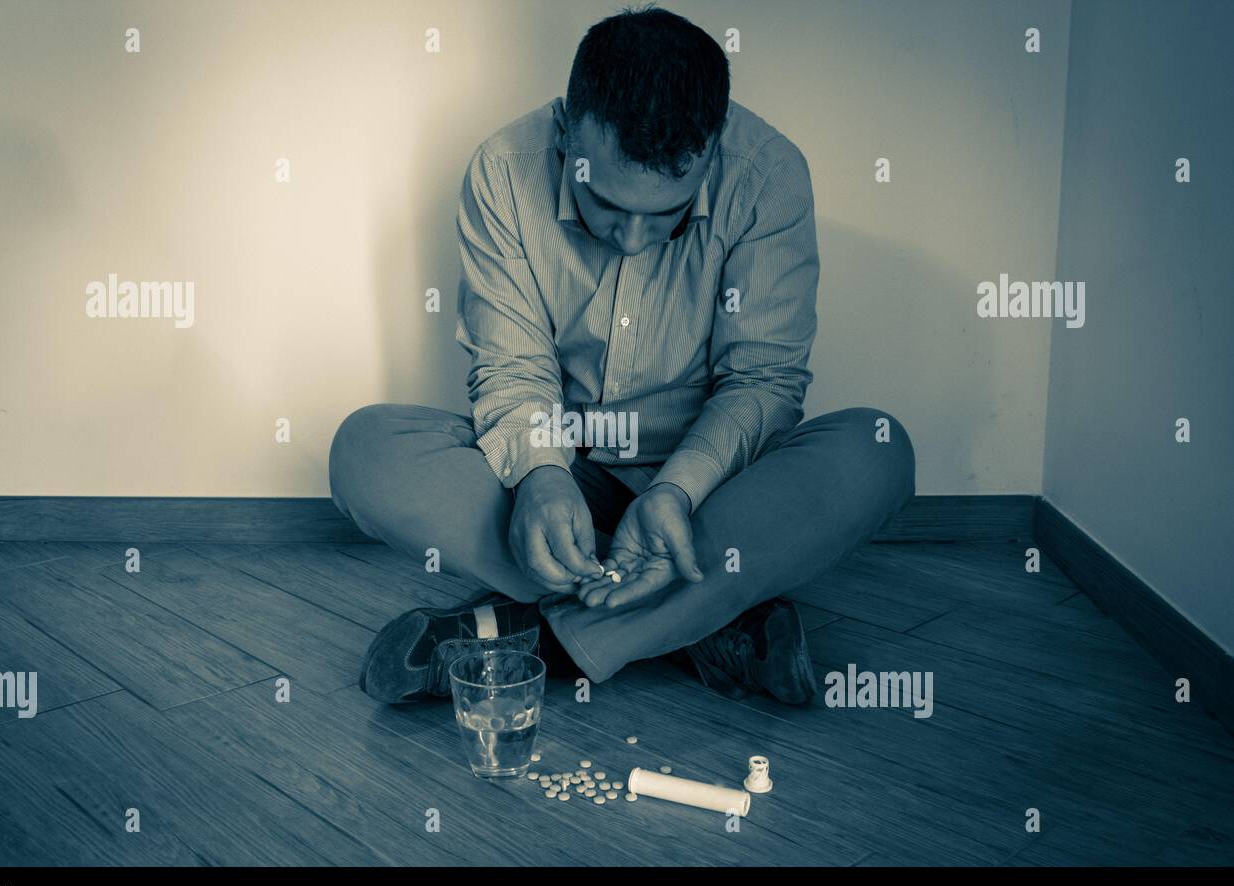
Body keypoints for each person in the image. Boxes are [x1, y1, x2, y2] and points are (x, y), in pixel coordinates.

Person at [329, 6, 914, 705]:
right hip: (563, 471)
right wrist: (542, 477)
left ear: (711, 148)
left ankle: (526, 635)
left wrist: (675, 491)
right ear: (567, 129)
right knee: (365, 450)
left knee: (877, 450)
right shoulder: (503, 171)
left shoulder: (770, 175)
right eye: (605, 203)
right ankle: (707, 615)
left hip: (712, 493)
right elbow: (512, 366)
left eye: (666, 214)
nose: (633, 239)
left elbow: (762, 381)